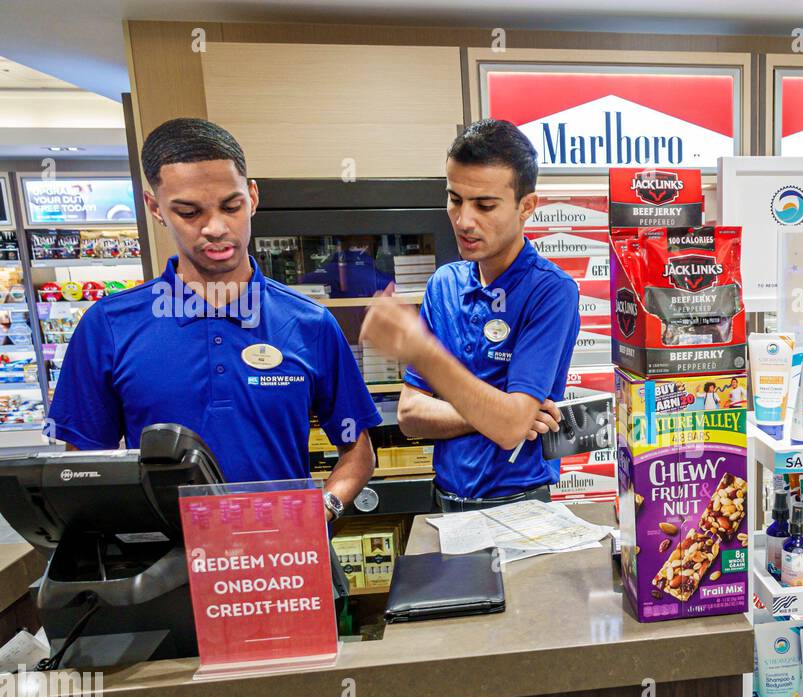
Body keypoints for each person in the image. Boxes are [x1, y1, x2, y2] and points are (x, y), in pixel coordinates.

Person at [47, 118, 381, 573]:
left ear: (254, 197)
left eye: (231, 206)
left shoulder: (309, 323)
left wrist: (324, 511)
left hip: (290, 569)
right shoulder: (108, 327)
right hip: (164, 577)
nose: (215, 228)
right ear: (155, 207)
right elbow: (85, 475)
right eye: (190, 212)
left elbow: (357, 452)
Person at [360, 119, 580, 512]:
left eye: (484, 205)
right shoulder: (444, 284)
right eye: (455, 198)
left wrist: (421, 351)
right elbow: (410, 416)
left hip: (522, 504)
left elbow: (511, 429)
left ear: (526, 206)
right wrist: (499, 415)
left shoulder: (550, 291)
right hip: (445, 499)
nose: (463, 220)